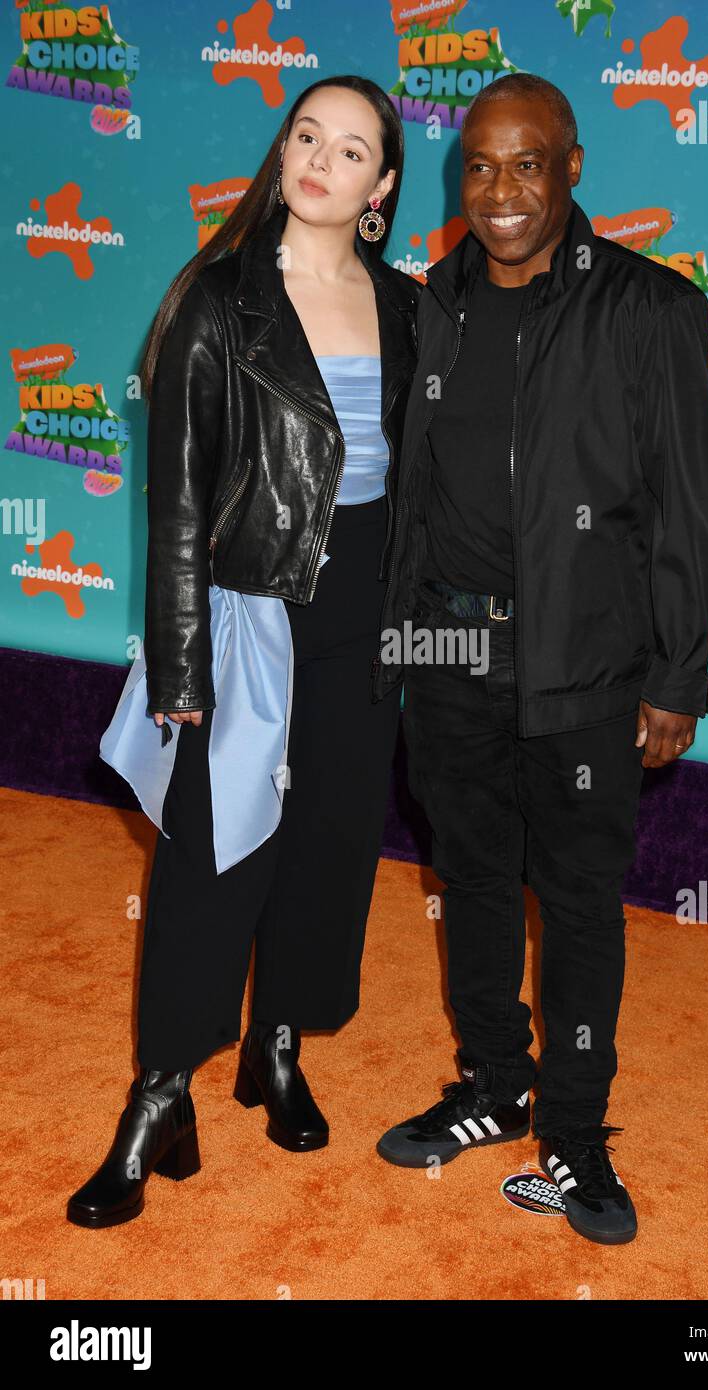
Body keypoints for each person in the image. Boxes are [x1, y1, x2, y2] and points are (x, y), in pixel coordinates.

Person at [372, 73, 708, 1245]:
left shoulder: (648, 309)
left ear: (573, 168)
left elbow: (690, 508)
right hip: (446, 648)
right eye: (478, 164)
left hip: (584, 663)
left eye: (527, 163)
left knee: (576, 905)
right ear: (455, 177)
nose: (500, 188)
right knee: (469, 881)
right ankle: (492, 1085)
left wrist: (676, 675)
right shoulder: (431, 304)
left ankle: (573, 1133)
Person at [67, 76, 421, 1229]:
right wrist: (179, 674)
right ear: (282, 154)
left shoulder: (411, 307)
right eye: (306, 134)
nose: (321, 158)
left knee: (328, 847)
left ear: (379, 189)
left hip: (367, 615)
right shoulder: (218, 302)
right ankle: (158, 1095)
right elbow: (174, 507)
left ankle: (276, 1044)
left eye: (351, 148)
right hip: (249, 611)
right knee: (207, 863)